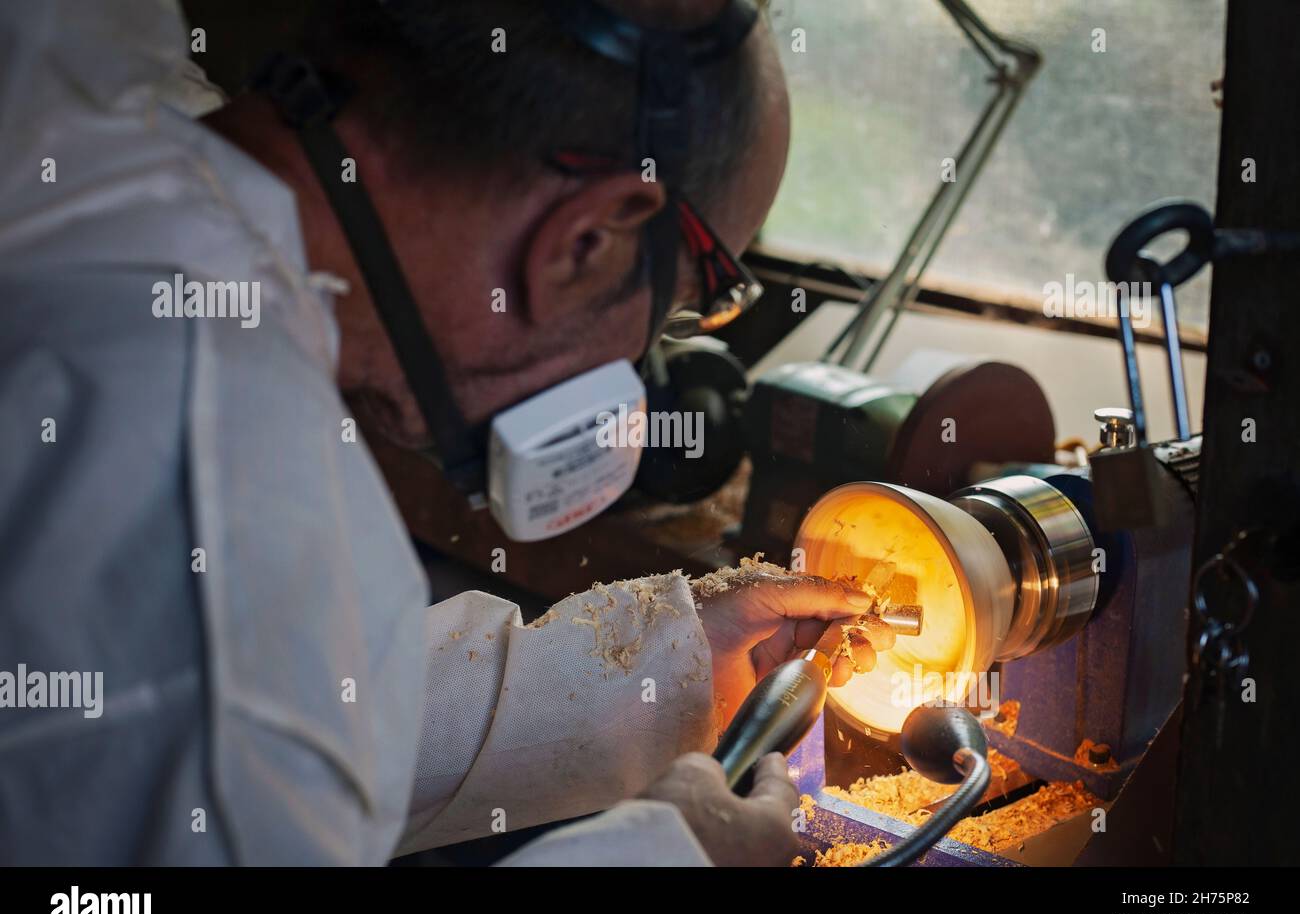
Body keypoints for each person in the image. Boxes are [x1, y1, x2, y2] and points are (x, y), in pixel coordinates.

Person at [0, 0, 889, 865]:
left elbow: (298, 708)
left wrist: (665, 666)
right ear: (585, 241)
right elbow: (238, 704)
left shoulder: (72, 68)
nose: (642, 367)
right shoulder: (220, 488)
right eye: (679, 316)